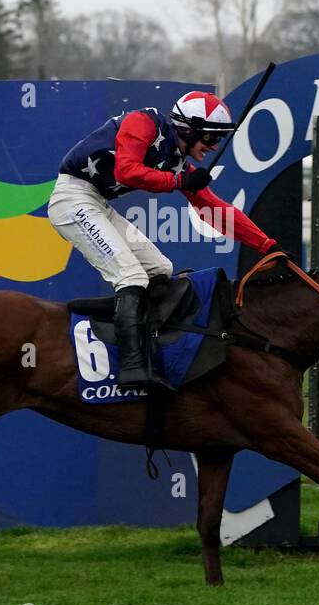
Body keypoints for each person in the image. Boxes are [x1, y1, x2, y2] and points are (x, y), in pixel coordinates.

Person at [48, 91, 277, 390]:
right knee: (131, 276)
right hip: (72, 199)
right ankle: (131, 368)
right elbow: (126, 171)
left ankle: (121, 323)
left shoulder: (177, 162)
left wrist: (266, 245)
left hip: (96, 203)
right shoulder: (142, 122)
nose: (214, 146)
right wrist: (180, 181)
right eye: (210, 137)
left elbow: (215, 210)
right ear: (189, 129)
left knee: (160, 270)